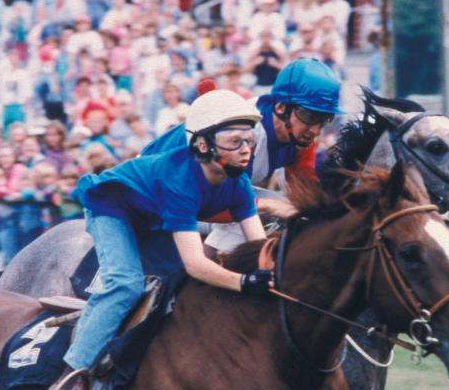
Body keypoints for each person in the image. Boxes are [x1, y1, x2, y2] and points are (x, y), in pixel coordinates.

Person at [44, 90, 273, 390]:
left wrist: (274, 273)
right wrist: (244, 282)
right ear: (202, 146)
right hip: (112, 208)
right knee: (126, 284)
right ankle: (70, 377)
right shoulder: (181, 180)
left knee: (179, 289)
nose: (246, 150)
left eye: (249, 141)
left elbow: (259, 245)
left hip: (151, 215)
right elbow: (196, 263)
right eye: (235, 141)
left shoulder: (237, 182)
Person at [143, 58, 343, 252]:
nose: (316, 130)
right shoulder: (245, 133)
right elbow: (225, 204)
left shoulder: (301, 133)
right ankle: (196, 276)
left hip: (204, 193)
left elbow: (305, 192)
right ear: (281, 107)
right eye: (310, 116)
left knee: (285, 210)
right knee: (265, 213)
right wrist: (268, 207)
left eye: (325, 119)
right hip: (158, 194)